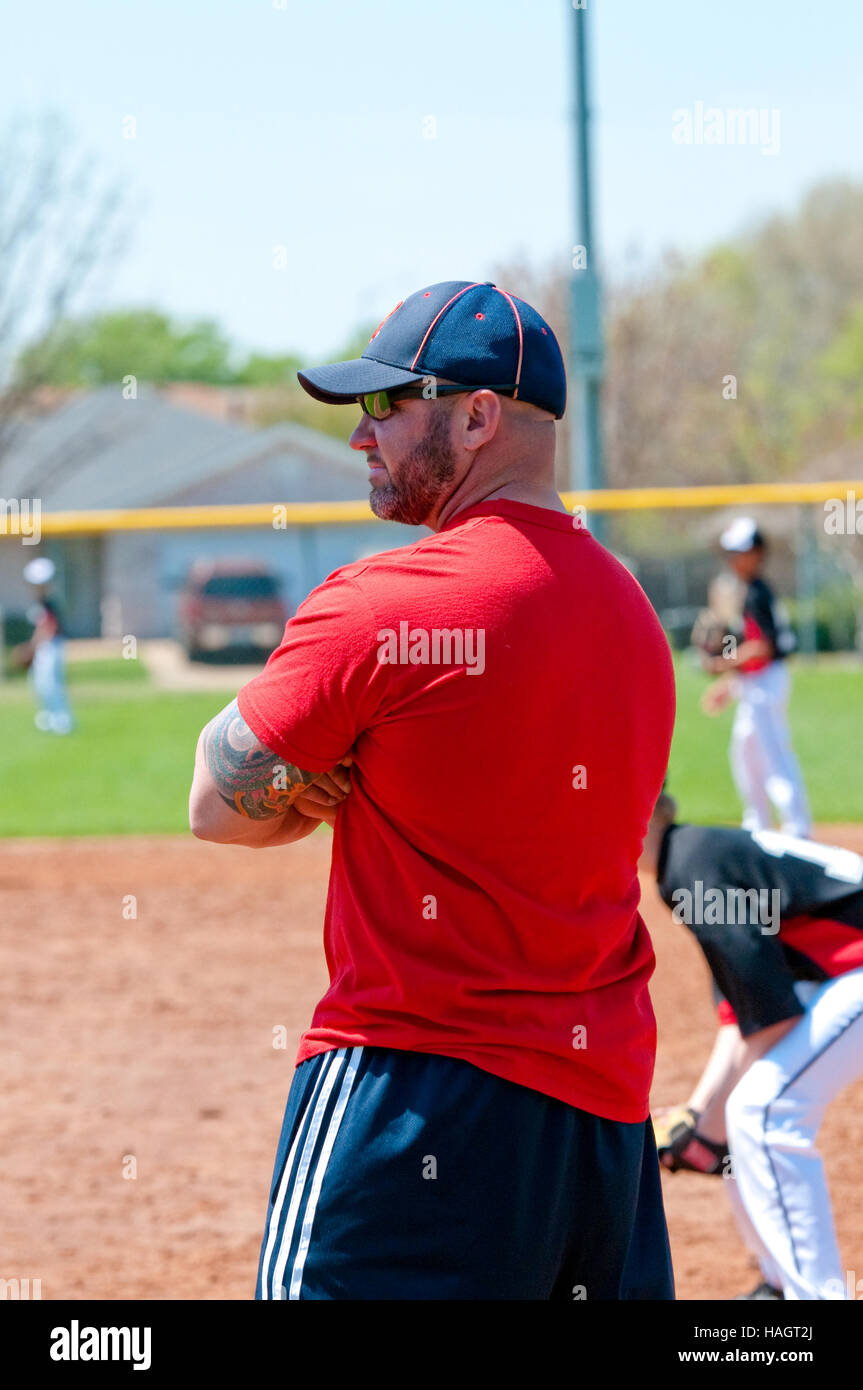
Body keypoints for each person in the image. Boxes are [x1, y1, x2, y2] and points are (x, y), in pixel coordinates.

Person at [189, 279, 676, 1301]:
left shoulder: (387, 600)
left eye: (383, 406)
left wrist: (321, 786)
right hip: (599, 1128)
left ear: (476, 414)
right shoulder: (632, 614)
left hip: (410, 1099)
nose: (362, 438)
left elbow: (213, 799)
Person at [641, 791, 863, 1300]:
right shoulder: (698, 854)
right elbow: (745, 1011)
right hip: (839, 973)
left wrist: (698, 1114)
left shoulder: (691, 870)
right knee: (736, 1124)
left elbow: (769, 1017)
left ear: (648, 810)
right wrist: (701, 1122)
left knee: (763, 1113)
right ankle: (781, 1282)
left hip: (852, 969)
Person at [700, 517, 810, 837]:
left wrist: (722, 664)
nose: (734, 559)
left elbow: (762, 647)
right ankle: (758, 824)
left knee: (774, 754)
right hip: (755, 682)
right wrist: (729, 685)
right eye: (731, 552)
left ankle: (797, 827)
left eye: (741, 552)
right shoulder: (747, 590)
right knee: (745, 753)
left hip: (768, 681)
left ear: (758, 553)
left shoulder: (757, 593)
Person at [14, 557, 74, 735]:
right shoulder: (41, 602)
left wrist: (30, 648)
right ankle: (49, 716)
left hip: (51, 647)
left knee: (49, 684)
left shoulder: (48, 603)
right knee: (39, 684)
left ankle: (62, 720)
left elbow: (48, 629)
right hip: (45, 647)